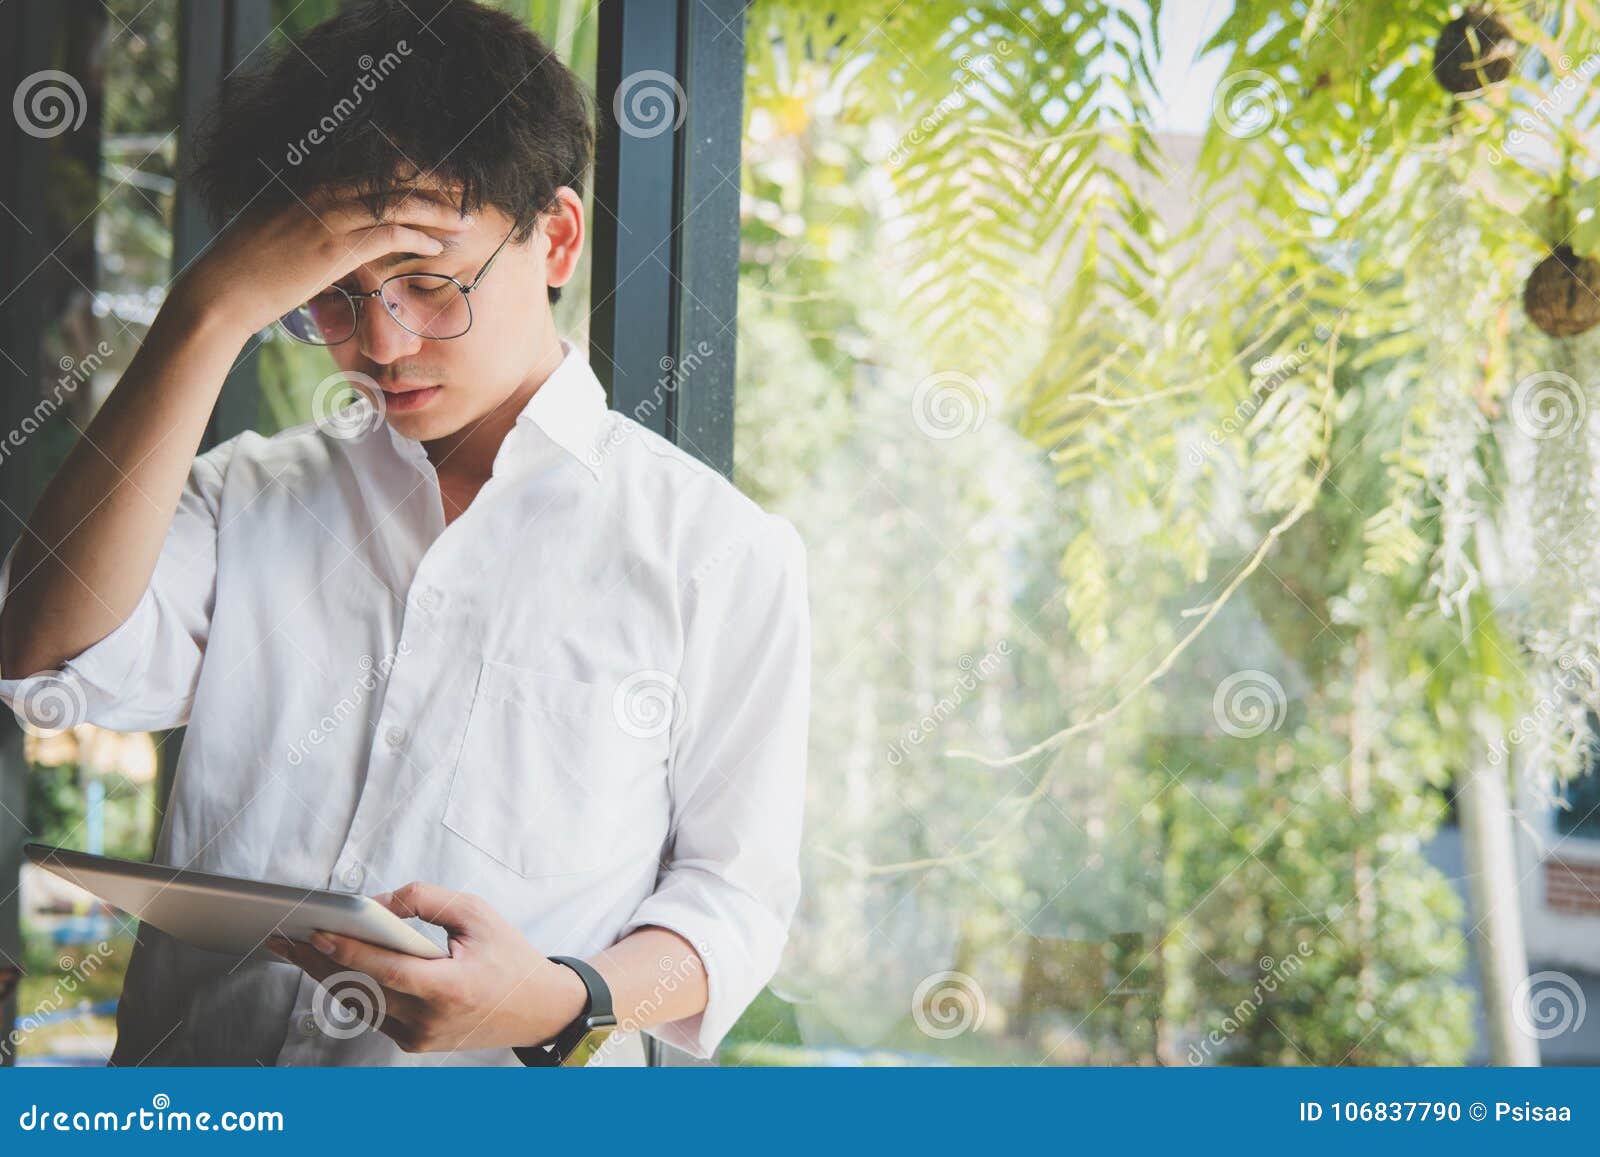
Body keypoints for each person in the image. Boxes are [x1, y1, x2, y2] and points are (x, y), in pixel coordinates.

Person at [0, 0, 809, 1067]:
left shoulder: (719, 550)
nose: (380, 342)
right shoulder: (247, 497)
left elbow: (733, 899)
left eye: (430, 284)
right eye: (331, 295)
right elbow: (45, 655)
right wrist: (208, 310)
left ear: (556, 236)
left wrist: (561, 999)